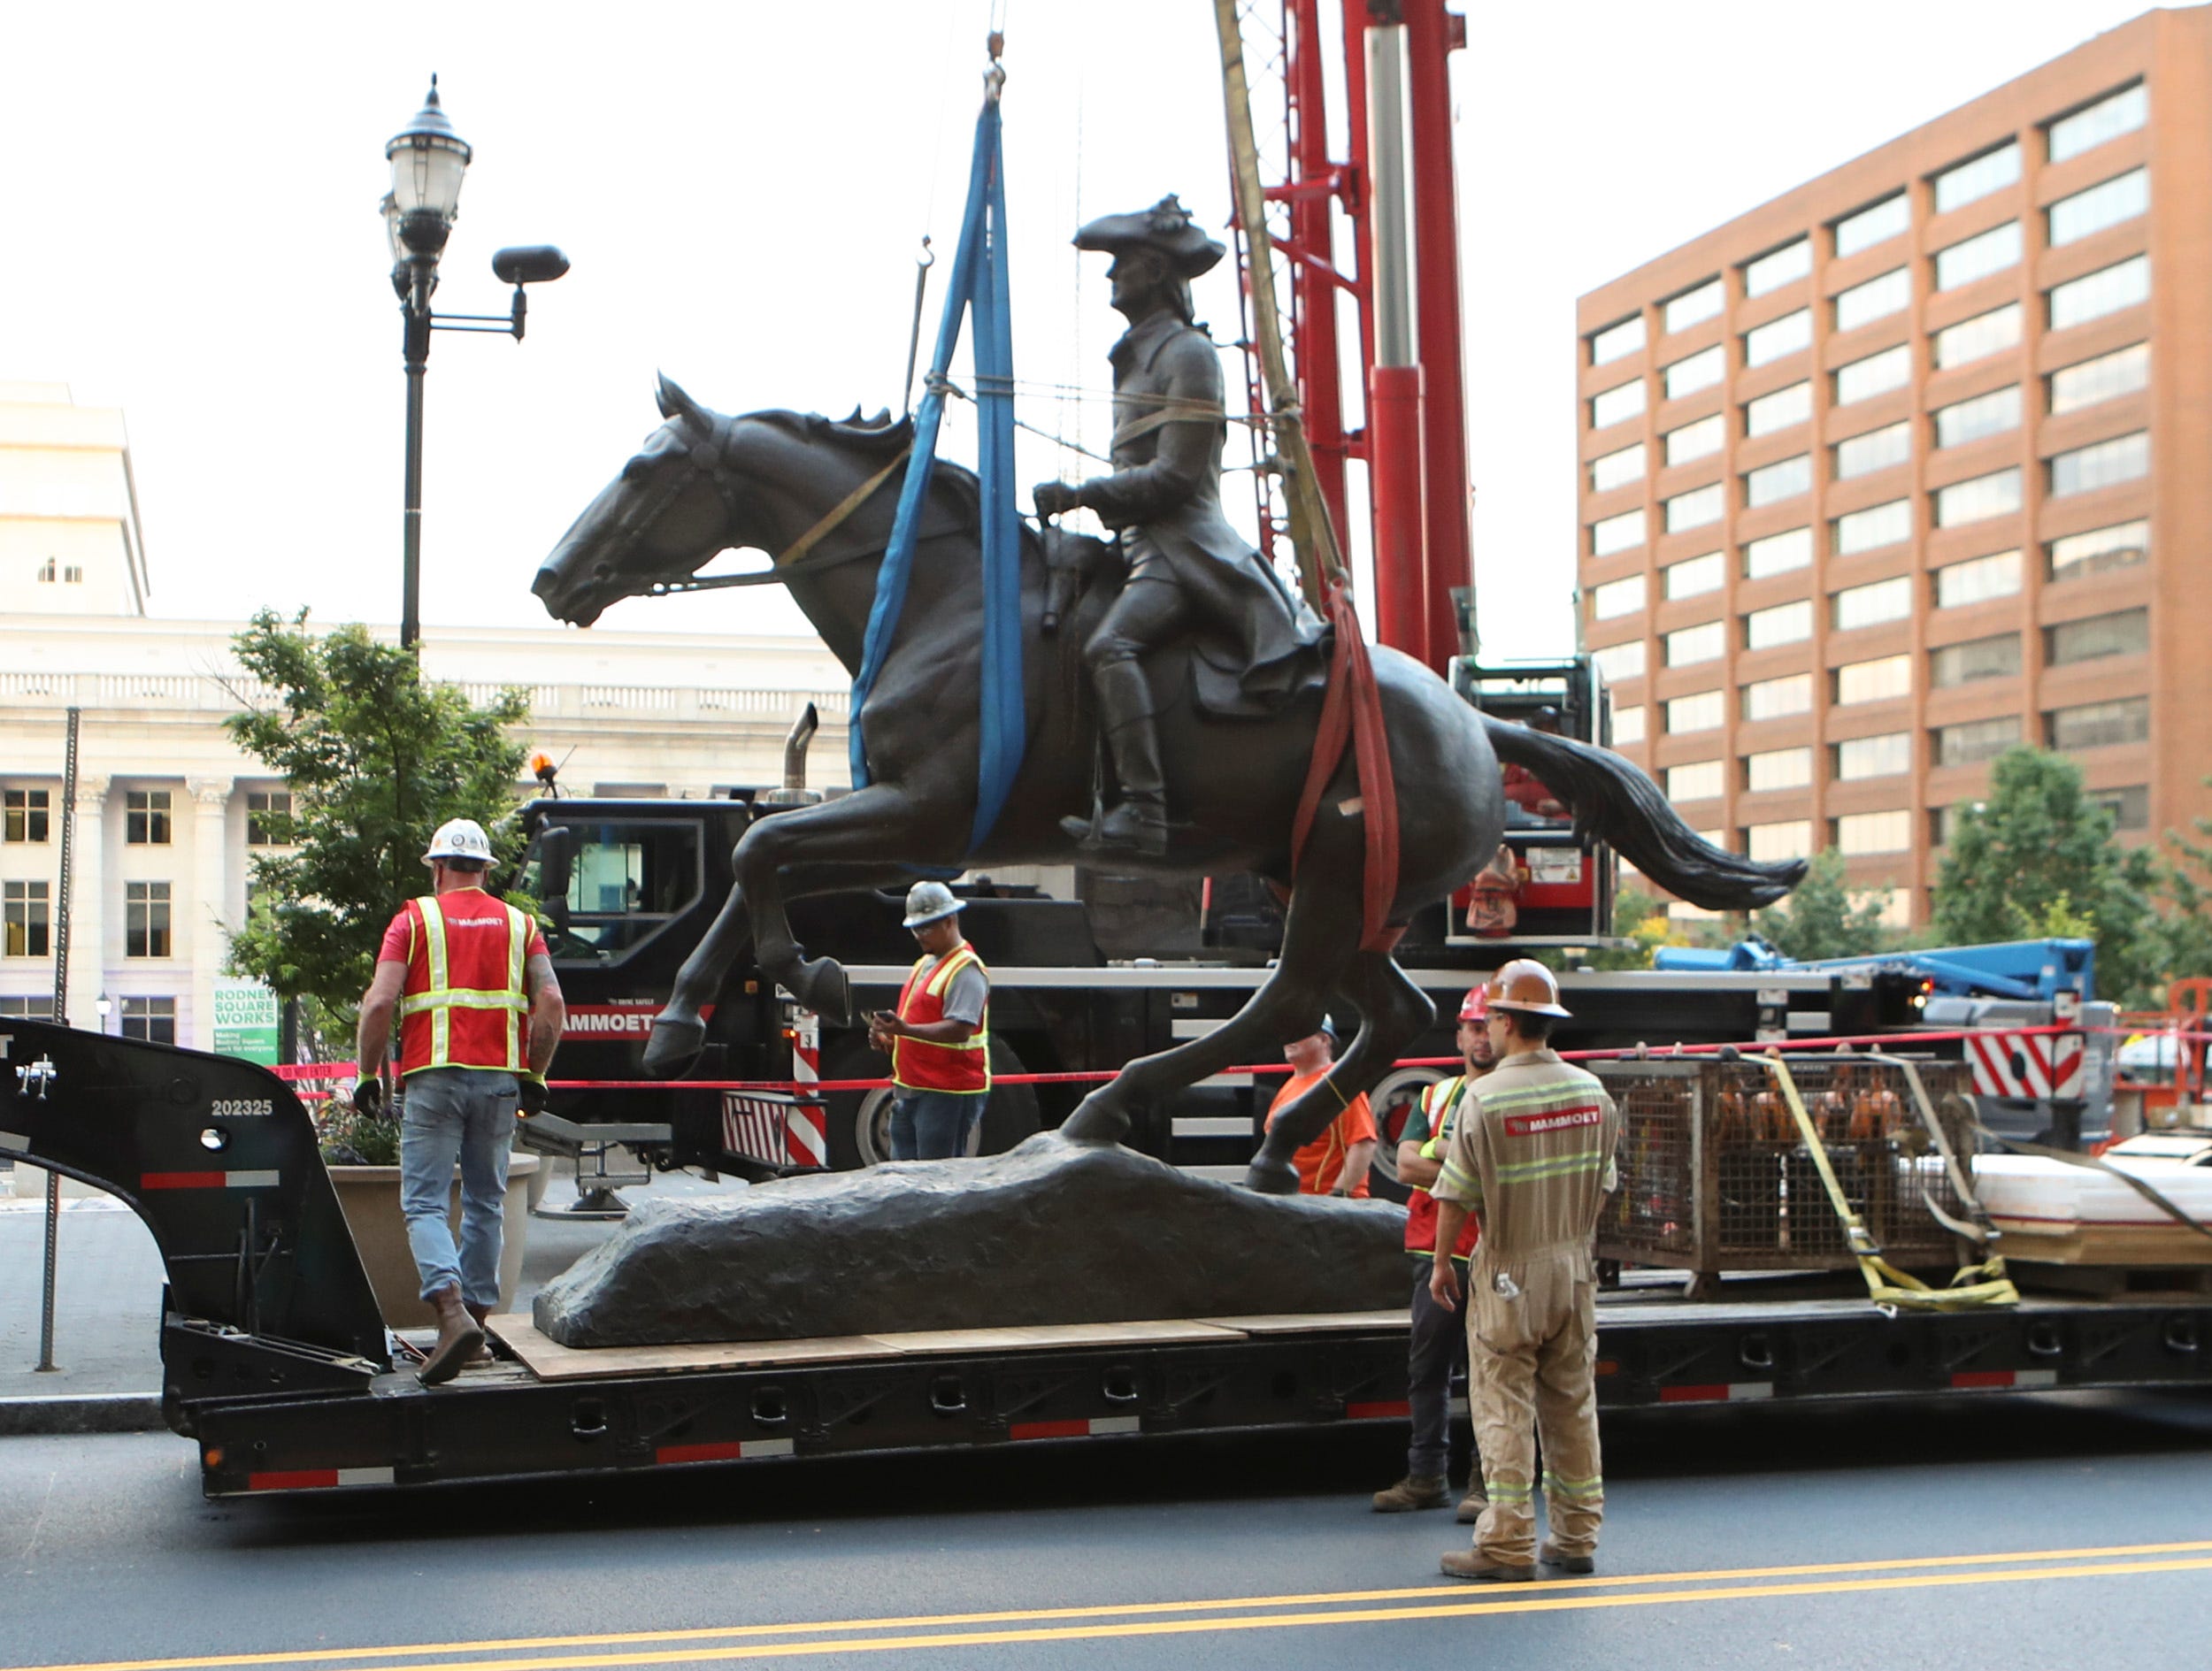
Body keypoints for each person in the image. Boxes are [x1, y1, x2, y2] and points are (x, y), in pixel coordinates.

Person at [1034, 195, 1323, 858]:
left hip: (1179, 548)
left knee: (1110, 645)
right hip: (1136, 544)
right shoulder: (1135, 358)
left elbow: (1174, 479)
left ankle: (1146, 810)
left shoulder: (1189, 354)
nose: (1112, 278)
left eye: (1125, 265)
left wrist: (1083, 492)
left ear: (1160, 274)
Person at [1427, 958, 1621, 1583]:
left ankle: (1507, 1543)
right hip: (1573, 1267)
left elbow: (1455, 1191)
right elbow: (1605, 1186)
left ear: (1507, 1021)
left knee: (1503, 1402)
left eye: (1491, 1016)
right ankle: (1576, 1535)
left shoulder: (1483, 1096)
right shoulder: (1593, 1093)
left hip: (1509, 1267)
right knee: (1572, 1402)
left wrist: (1440, 1265)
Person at [355, 818, 565, 1386]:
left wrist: (367, 1074)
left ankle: (449, 1314)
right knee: (486, 1203)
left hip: (434, 1082)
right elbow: (550, 999)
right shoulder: (521, 926)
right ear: (487, 869)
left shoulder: (413, 920)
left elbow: (379, 1003)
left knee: (424, 1203)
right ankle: (474, 1327)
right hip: (500, 1082)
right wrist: (535, 1075)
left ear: (438, 866)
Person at [1372, 985, 1493, 1521]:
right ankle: (1426, 1476)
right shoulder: (1435, 1097)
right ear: (1460, 1034)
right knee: (1429, 1370)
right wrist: (1466, 1169)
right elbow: (1404, 1168)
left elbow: (1486, 1176)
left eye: (1491, 1025)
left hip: (1493, 1254)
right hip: (1435, 1254)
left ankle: (1486, 1482)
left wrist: (1438, 1157)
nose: (1482, 1036)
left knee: (1490, 1374)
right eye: (1474, 1026)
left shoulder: (1508, 1095)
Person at [869, 881, 992, 1160]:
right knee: (906, 1178)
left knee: (938, 1182)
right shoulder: (924, 964)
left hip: (947, 1091)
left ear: (949, 921)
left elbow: (960, 1029)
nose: (918, 936)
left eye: (925, 928)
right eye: (914, 928)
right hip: (913, 1089)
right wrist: (889, 1039)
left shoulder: (966, 969)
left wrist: (905, 1030)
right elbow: (919, 1024)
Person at [1263, 1019, 1377, 1198]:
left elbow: (1363, 1144)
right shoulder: (1288, 1087)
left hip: (1329, 1208)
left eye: (1300, 1032)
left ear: (1324, 1039)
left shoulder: (1340, 1085)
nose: (1290, 1038)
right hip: (1294, 1204)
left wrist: (1338, 1196)